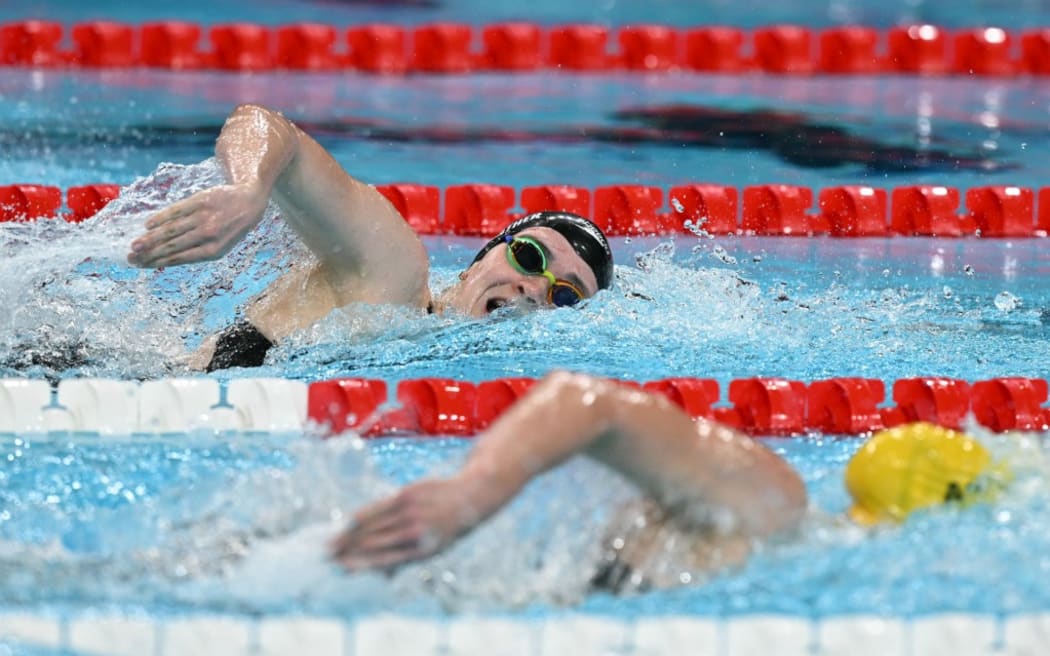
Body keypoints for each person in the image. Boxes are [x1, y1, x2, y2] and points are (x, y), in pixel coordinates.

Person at [330, 371, 1009, 592]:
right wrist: (470, 494)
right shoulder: (774, 504)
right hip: (417, 572)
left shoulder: (796, 561)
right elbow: (587, 399)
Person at [125, 104, 614, 371]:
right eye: (530, 256)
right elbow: (266, 125)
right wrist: (249, 189)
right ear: (481, 258)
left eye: (566, 296)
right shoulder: (394, 272)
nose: (536, 288)